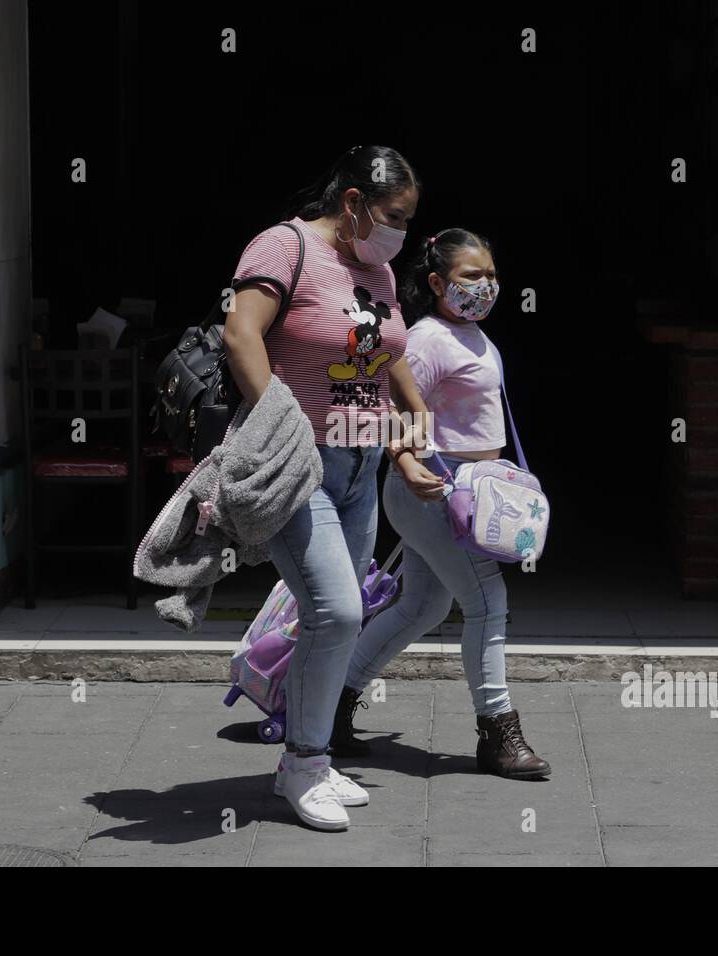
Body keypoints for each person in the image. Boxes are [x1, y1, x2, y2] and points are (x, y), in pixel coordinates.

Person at [223, 146, 446, 830]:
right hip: (302, 466)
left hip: (359, 468)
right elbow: (241, 335)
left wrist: (412, 434)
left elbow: (385, 356)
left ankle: (308, 761)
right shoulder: (282, 246)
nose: (400, 233)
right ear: (352, 203)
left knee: (336, 622)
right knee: (339, 612)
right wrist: (279, 427)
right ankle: (305, 762)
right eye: (393, 216)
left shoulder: (373, 268)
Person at [337, 228, 551, 780]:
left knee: (422, 607)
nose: (486, 286)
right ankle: (499, 733)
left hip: (464, 492)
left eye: (491, 275)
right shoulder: (430, 339)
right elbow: (390, 404)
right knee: (486, 603)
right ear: (437, 282)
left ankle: (331, 704)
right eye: (471, 276)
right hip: (435, 489)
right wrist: (408, 464)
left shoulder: (476, 337)